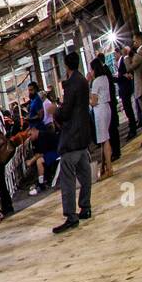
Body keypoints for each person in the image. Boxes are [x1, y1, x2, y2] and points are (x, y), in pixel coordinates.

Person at [53, 52, 94, 233]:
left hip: (72, 138)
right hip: (83, 136)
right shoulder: (83, 80)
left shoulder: (71, 85)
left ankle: (71, 216)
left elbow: (66, 112)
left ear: (66, 66)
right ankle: (85, 207)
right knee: (85, 175)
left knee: (68, 179)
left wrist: (55, 111)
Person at [90, 57, 115, 180]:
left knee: (104, 140)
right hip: (107, 108)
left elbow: (94, 101)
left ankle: (109, 168)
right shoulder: (105, 78)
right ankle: (104, 167)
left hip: (99, 110)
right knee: (105, 139)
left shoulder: (95, 82)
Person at [116, 49, 139, 138]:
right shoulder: (120, 61)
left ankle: (133, 129)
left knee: (128, 110)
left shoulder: (123, 60)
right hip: (124, 89)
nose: (115, 56)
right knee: (128, 110)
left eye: (115, 54)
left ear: (119, 53)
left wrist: (115, 78)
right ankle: (132, 127)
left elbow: (125, 75)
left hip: (125, 89)